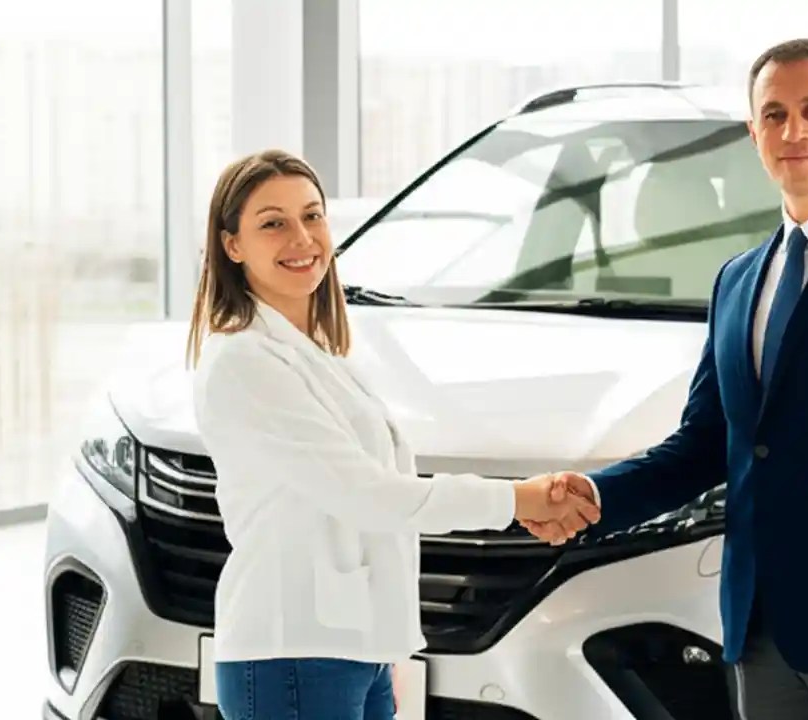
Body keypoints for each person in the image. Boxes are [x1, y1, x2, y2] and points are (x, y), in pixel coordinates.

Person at [526, 39, 808, 720]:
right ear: (754, 135)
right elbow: (706, 445)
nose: (793, 131)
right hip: (758, 633)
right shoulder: (738, 281)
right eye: (773, 115)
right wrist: (595, 497)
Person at [187, 149, 598, 719]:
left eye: (312, 216)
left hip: (359, 650)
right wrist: (516, 498)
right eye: (273, 223)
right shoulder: (244, 362)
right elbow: (372, 495)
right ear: (233, 245)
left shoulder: (323, 357)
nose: (302, 238)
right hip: (292, 653)